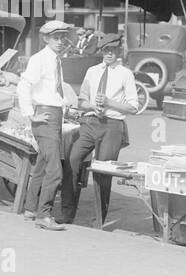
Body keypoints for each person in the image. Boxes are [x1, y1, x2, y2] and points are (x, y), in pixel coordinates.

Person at [61, 34, 139, 227]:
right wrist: (90, 107)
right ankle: (67, 213)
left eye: (112, 50)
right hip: (90, 123)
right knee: (73, 159)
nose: (109, 54)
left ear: (118, 51)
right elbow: (82, 99)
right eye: (105, 50)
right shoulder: (92, 71)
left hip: (112, 126)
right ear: (101, 51)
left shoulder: (125, 74)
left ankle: (99, 219)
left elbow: (133, 107)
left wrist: (110, 103)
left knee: (103, 170)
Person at [16, 19, 74, 231]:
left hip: (55, 115)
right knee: (55, 170)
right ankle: (44, 214)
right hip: (45, 117)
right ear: (46, 39)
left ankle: (31, 208)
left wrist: (65, 105)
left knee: (41, 165)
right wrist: (31, 114)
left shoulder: (56, 60)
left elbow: (53, 90)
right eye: (55, 38)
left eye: (62, 37)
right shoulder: (39, 59)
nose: (60, 41)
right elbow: (23, 86)